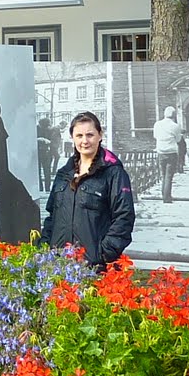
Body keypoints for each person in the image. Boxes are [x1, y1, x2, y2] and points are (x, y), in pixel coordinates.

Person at [42, 111, 135, 267]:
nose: (84, 141)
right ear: (72, 137)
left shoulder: (113, 173)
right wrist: (45, 248)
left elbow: (124, 218)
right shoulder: (63, 174)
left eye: (90, 135)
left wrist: (103, 254)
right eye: (79, 136)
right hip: (60, 267)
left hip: (95, 269)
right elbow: (52, 217)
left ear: (100, 135)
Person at [152, 105, 185, 202]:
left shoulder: (157, 124)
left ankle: (164, 194)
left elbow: (155, 136)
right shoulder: (175, 126)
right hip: (171, 152)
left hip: (161, 151)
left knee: (163, 175)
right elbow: (178, 139)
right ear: (174, 115)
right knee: (169, 175)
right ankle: (167, 198)